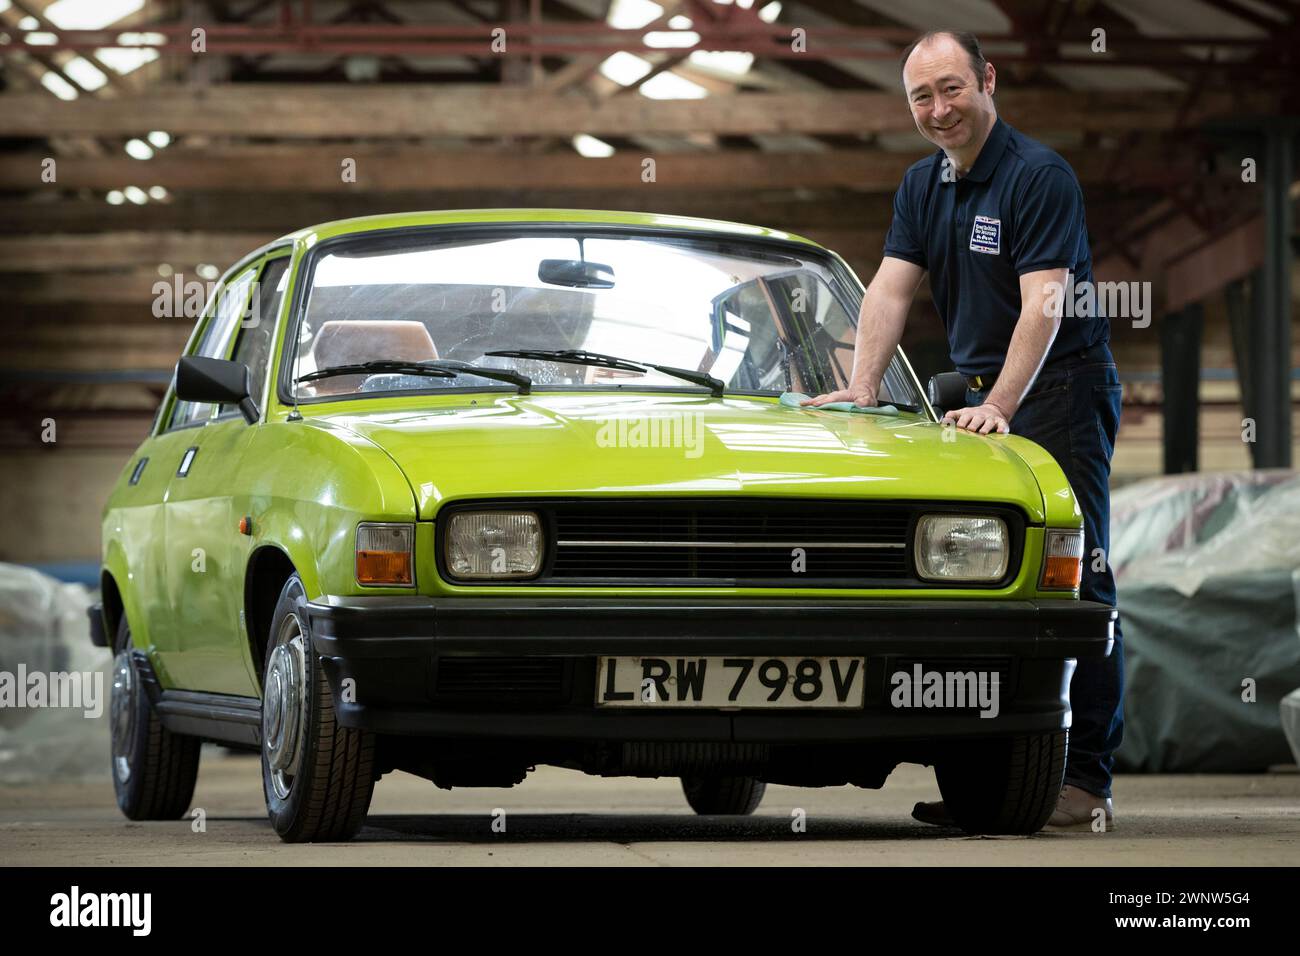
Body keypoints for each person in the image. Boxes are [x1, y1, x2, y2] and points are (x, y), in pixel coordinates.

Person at [804, 30, 1123, 831]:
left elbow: (1046, 302)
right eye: (921, 97)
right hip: (980, 395)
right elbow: (889, 290)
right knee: (981, 578)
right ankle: (998, 776)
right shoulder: (922, 185)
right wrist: (863, 385)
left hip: (1059, 391)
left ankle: (1084, 779)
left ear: (988, 79)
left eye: (951, 89)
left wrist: (1005, 408)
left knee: (1078, 577)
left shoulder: (1037, 176)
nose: (938, 110)